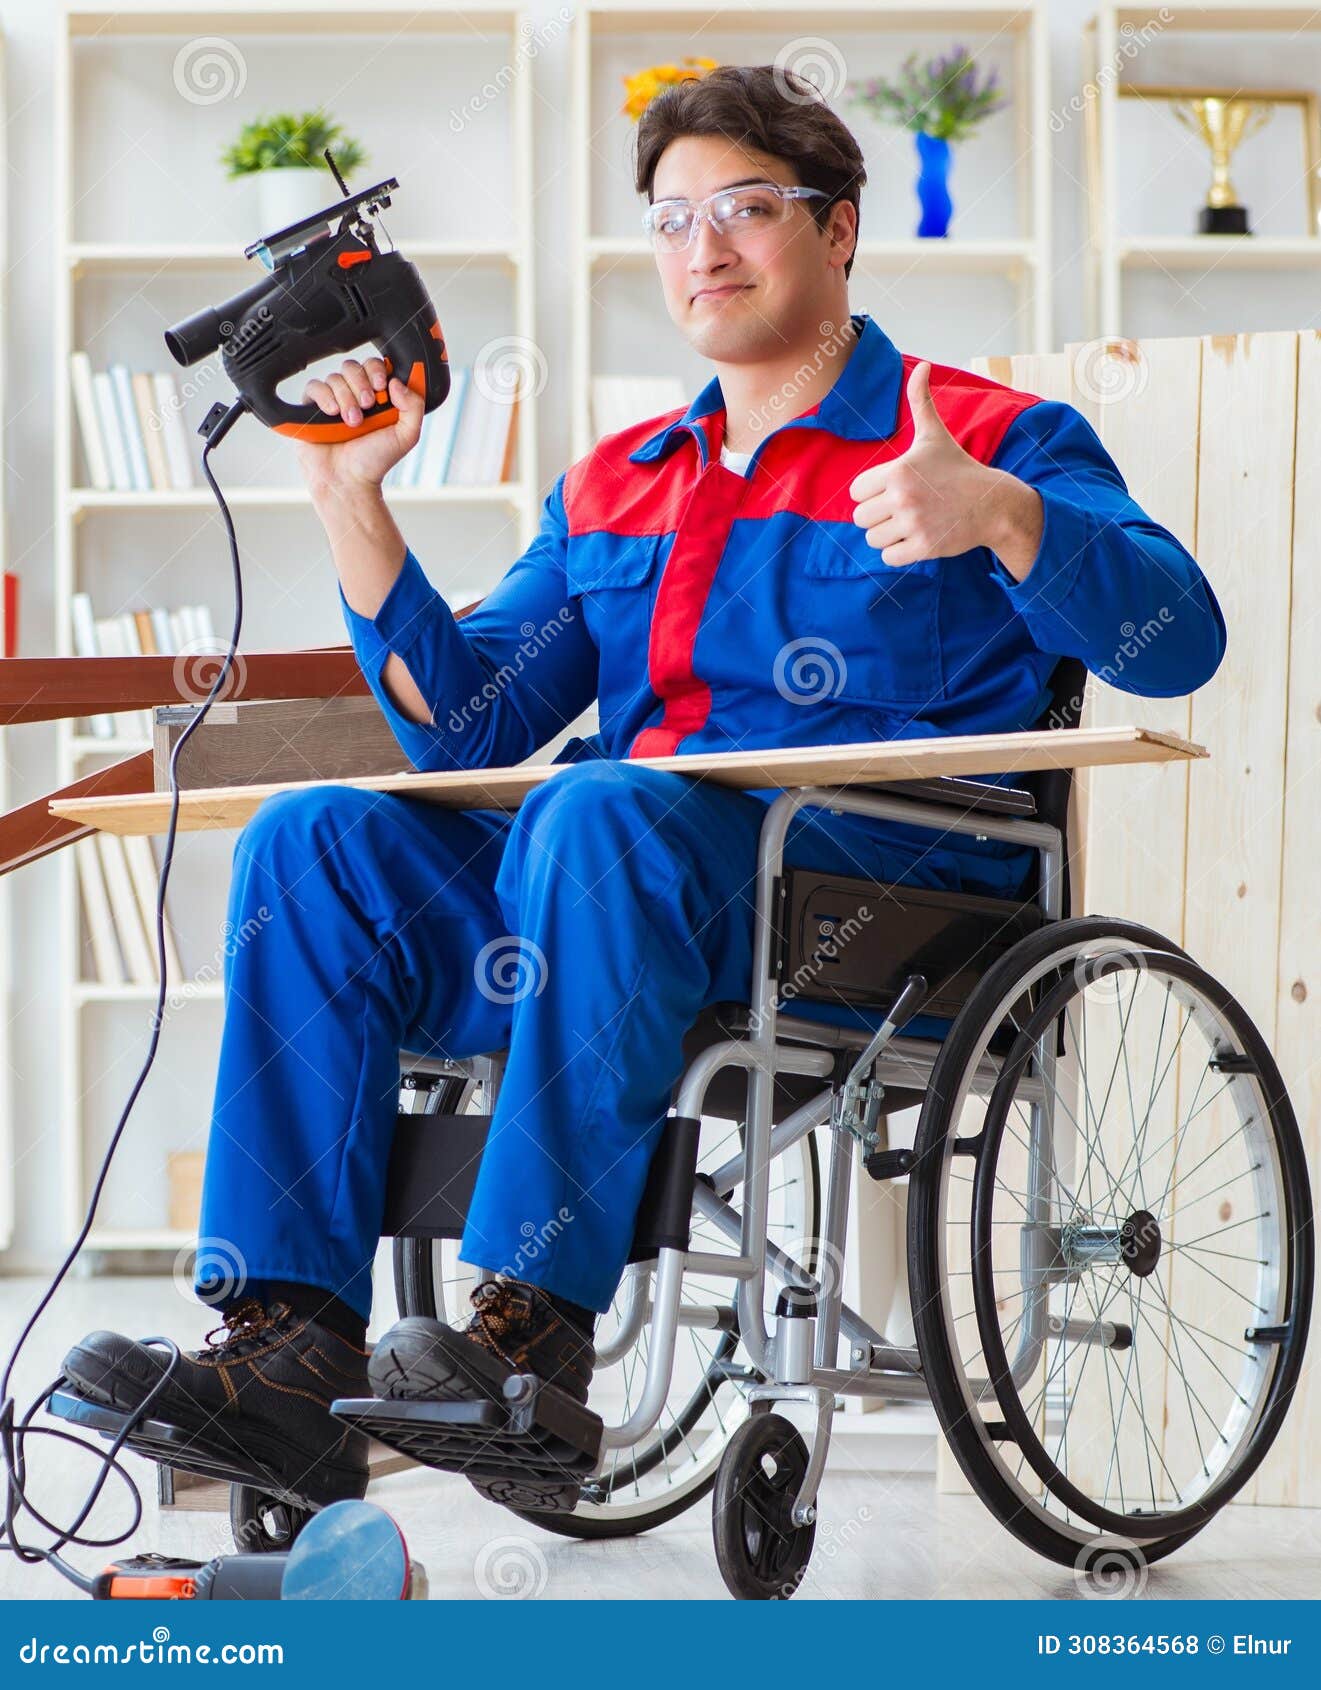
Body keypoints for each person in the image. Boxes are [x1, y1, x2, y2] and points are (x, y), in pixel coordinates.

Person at [62, 64, 1226, 1512]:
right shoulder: (620, 484)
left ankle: (531, 1336)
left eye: (743, 208)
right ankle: (290, 1353)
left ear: (840, 229)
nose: (703, 249)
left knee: (594, 809)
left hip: (878, 904)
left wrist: (1000, 515)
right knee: (316, 839)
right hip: (610, 898)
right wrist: (351, 502)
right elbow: (470, 721)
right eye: (671, 221)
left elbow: (1173, 642)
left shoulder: (979, 429)